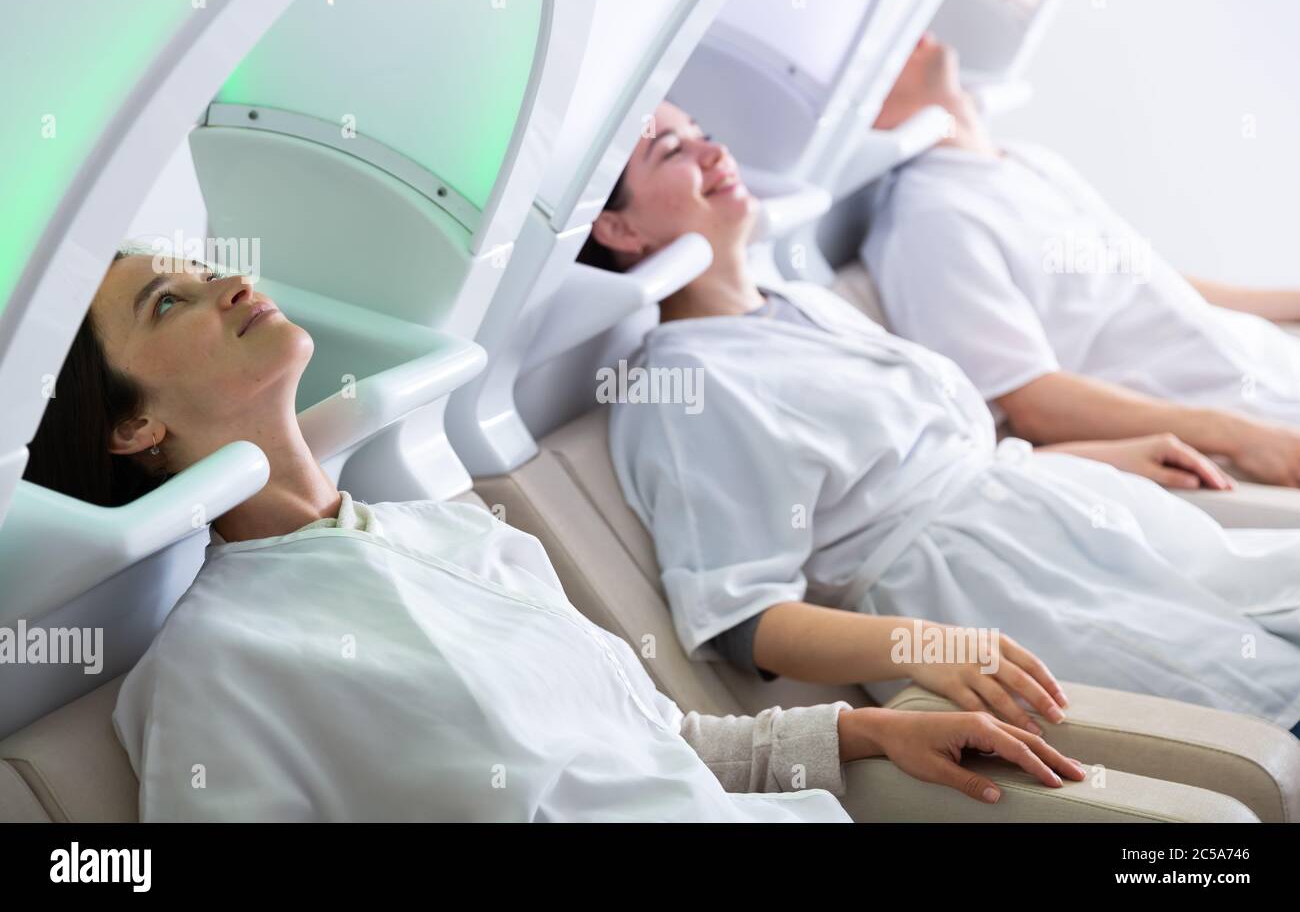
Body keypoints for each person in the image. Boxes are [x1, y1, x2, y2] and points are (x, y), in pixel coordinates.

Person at [21, 246, 1086, 820]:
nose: (228, 281)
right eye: (170, 302)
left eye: (200, 267)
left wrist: (865, 733)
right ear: (131, 424)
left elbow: (661, 744)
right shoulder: (213, 668)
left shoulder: (464, 535)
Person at [584, 101, 1300, 737]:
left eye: (703, 132)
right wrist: (925, 647)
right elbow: (742, 617)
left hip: (1065, 519)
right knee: (1254, 697)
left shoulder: (796, 302)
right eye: (673, 152)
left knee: (1270, 601)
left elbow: (934, 464)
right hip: (1002, 598)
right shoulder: (684, 386)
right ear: (617, 226)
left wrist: (1096, 454)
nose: (714, 152)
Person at [861, 32, 1300, 488]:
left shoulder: (1025, 162)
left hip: (1278, 373)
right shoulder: (932, 221)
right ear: (867, 106)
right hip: (1250, 437)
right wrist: (1237, 435)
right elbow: (1033, 402)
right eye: (888, 41)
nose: (919, 34)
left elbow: (1151, 278)